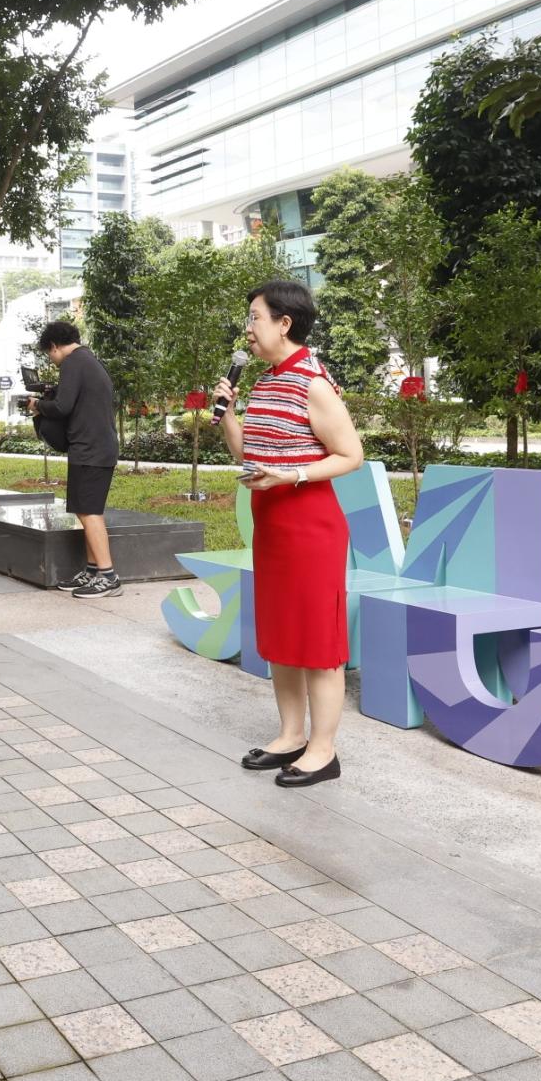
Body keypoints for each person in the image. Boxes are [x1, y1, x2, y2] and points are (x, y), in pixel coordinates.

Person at [212, 279, 365, 789]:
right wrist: (229, 414)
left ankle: (323, 751)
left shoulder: (312, 382)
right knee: (281, 635)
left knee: (317, 641)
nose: (247, 329)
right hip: (272, 524)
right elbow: (247, 454)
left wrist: (293, 475)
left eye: (255, 317)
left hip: (310, 526)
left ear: (285, 322)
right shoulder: (267, 380)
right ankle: (290, 735)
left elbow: (350, 455)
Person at [33, 320, 122, 598]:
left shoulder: (73, 362)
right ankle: (93, 570)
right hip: (95, 447)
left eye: (50, 354)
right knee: (87, 509)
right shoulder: (88, 360)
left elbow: (62, 407)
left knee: (90, 512)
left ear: (54, 346)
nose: (53, 360)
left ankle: (108, 576)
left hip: (91, 449)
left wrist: (38, 406)